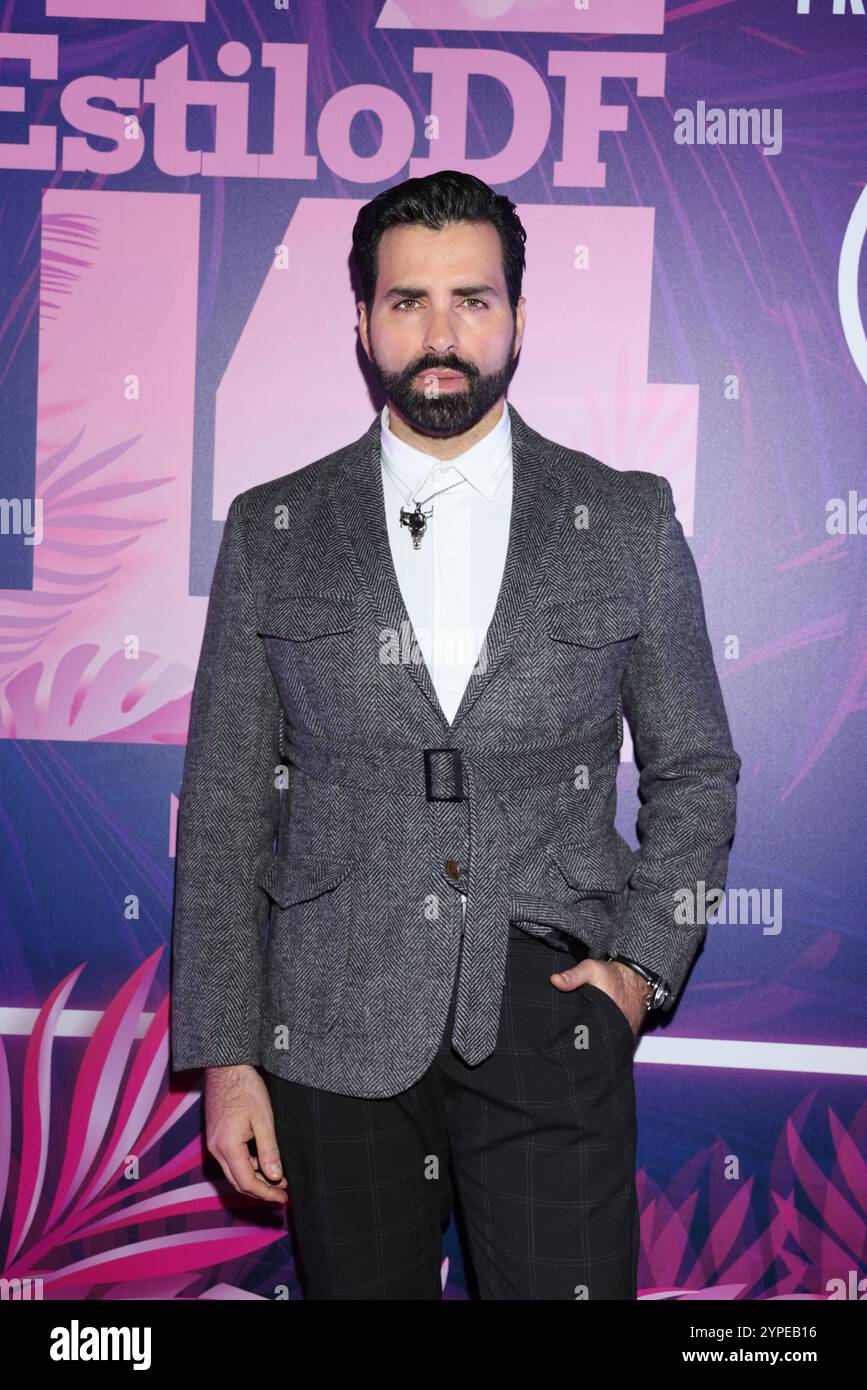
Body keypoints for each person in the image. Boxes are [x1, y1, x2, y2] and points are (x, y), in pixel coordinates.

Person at [170, 169, 741, 1300]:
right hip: (329, 1023)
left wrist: (638, 970)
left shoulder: (624, 521)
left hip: (554, 1015)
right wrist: (227, 1058)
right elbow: (228, 802)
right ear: (363, 323)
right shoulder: (274, 529)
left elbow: (697, 772)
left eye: (472, 301)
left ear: (521, 318)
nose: (441, 333)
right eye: (408, 301)